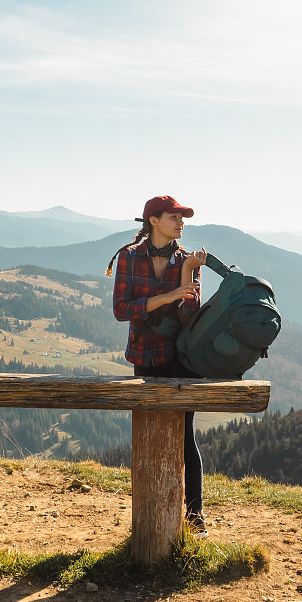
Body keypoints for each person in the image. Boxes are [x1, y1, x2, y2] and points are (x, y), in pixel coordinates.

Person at [108, 195, 210, 537]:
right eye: (174, 216)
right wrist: (167, 297)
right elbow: (121, 309)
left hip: (181, 359)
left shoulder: (187, 261)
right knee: (150, 432)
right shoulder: (129, 257)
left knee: (184, 436)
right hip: (145, 356)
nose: (181, 222)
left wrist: (185, 273)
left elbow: (189, 316)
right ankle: (154, 516)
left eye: (183, 217)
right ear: (153, 220)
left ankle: (195, 517)